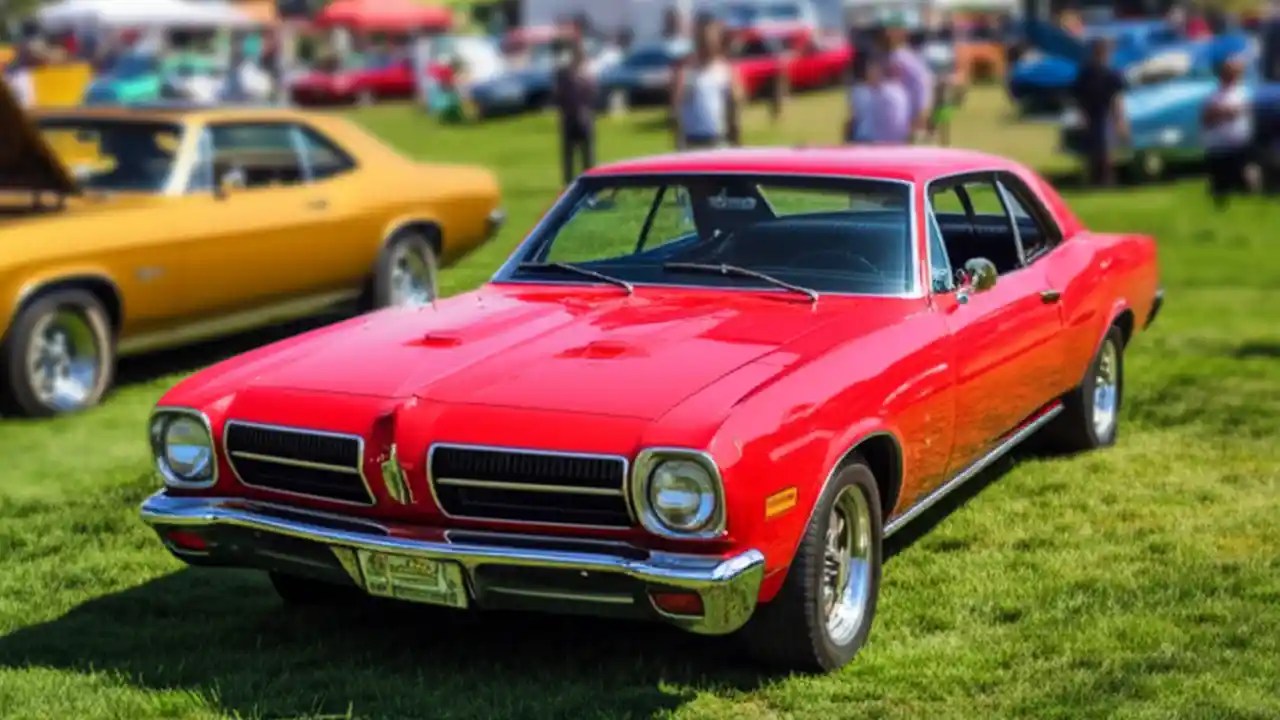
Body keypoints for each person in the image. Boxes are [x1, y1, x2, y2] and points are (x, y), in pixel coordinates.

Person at [672, 16, 742, 150]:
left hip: (720, 142)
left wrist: (737, 141)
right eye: (702, 40)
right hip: (692, 143)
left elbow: (734, 109)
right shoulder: (686, 72)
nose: (706, 44)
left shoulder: (726, 70)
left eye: (710, 40)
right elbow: (676, 111)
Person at [1071, 37, 1128, 187]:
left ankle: (1106, 180)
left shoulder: (1111, 74)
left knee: (1106, 150)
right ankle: (1093, 179)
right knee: (1091, 151)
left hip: (1105, 114)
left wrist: (1120, 120)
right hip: (1090, 114)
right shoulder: (1086, 73)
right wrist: (1081, 115)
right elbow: (1078, 97)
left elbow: (1117, 99)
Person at [1202, 56, 1254, 209]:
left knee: (1244, 180)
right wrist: (1224, 113)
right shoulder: (1214, 96)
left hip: (1240, 144)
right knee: (1220, 186)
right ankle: (1220, 208)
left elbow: (1246, 110)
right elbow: (1207, 118)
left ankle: (1248, 208)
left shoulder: (1244, 92)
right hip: (1219, 147)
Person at [553, 34, 598, 185]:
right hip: (572, 117)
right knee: (570, 156)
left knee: (586, 155)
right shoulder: (567, 73)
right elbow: (560, 96)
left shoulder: (586, 72)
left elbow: (592, 95)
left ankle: (589, 182)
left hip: (583, 116)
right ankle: (569, 184)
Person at [880, 25, 933, 144]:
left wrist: (922, 110)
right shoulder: (886, 56)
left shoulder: (907, 58)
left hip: (907, 113)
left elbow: (923, 83)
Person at [844, 52, 910, 145]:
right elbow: (854, 118)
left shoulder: (892, 94)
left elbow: (895, 123)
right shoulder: (860, 92)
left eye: (874, 70)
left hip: (883, 142)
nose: (871, 74)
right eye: (869, 70)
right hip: (866, 140)